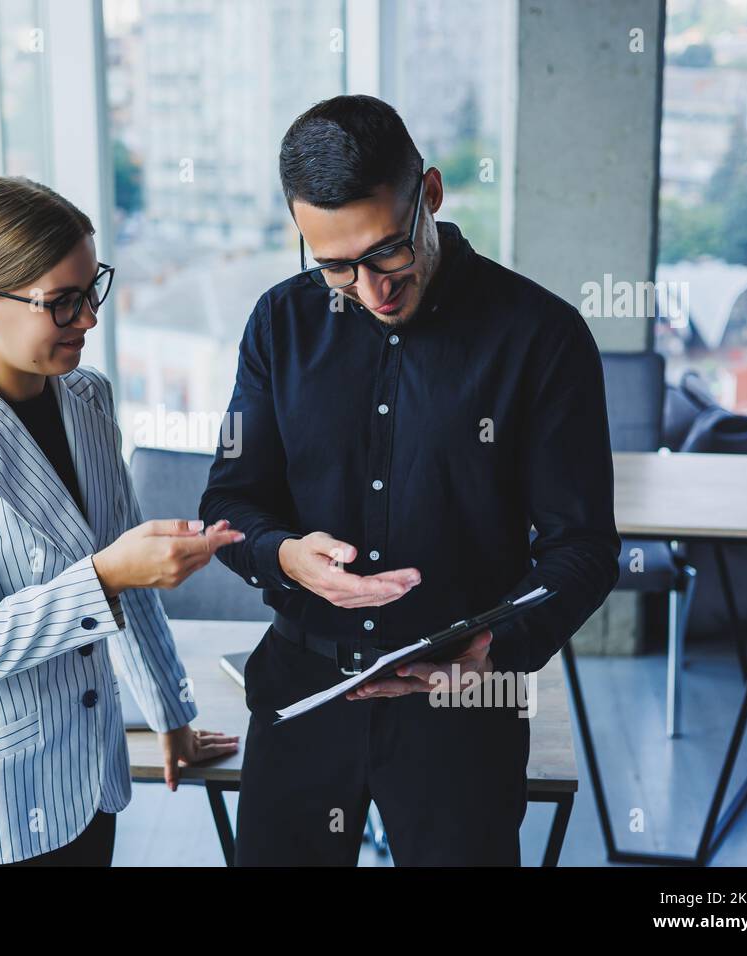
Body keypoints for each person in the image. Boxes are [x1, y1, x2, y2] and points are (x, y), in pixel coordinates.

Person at [200, 94, 620, 866]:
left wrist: (494, 652)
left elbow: (584, 548)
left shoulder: (543, 336)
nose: (369, 288)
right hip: (301, 692)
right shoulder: (277, 324)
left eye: (388, 252)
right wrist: (285, 554)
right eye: (334, 265)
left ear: (428, 194)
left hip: (462, 704)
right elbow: (227, 503)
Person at [0, 175, 239, 866]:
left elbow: (127, 578)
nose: (89, 320)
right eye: (63, 302)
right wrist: (102, 577)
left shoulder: (88, 398)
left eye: (90, 289)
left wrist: (172, 716)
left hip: (86, 790)